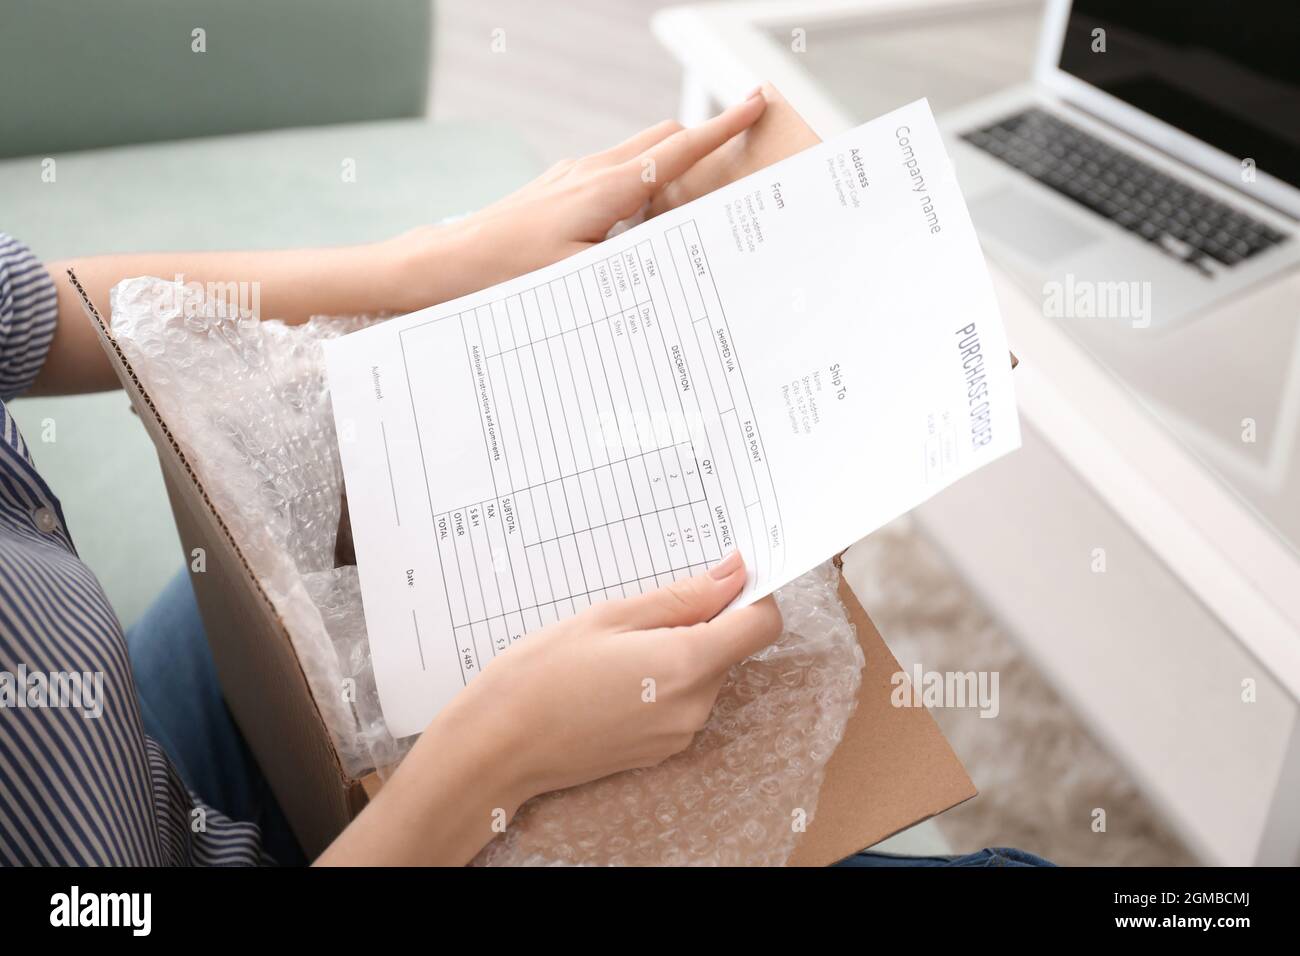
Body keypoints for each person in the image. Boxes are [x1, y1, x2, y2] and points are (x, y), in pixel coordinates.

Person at [1, 84, 1050, 867]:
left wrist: (426, 260)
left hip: (124, 747)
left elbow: (31, 316)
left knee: (296, 591)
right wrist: (494, 758)